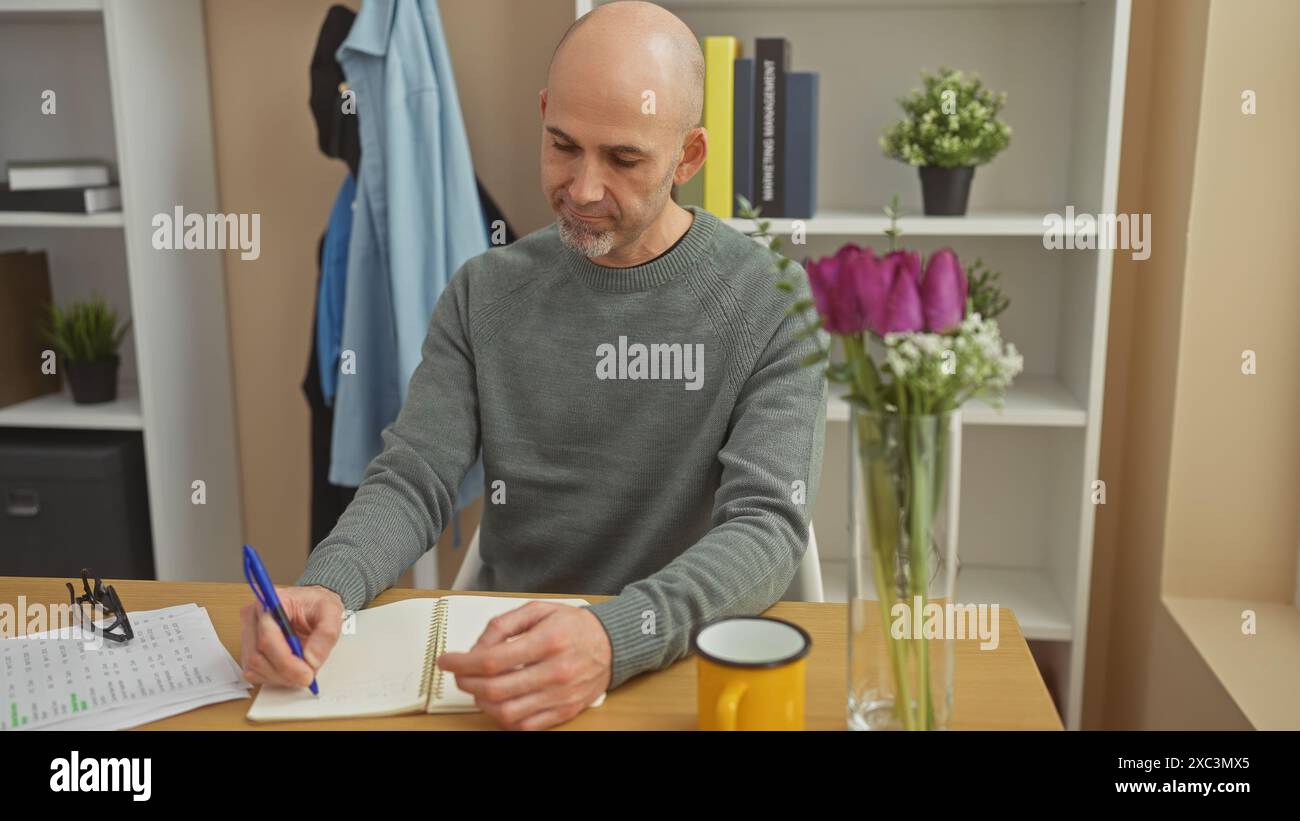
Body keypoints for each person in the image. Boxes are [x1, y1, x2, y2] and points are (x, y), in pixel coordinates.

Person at [240, 0, 826, 730]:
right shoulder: (483, 292)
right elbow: (414, 476)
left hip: (679, 668)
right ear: (543, 112)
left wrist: (614, 637)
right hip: (507, 665)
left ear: (690, 156)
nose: (581, 189)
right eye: (562, 144)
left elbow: (767, 526)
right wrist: (328, 585)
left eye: (623, 158)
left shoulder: (772, 300)